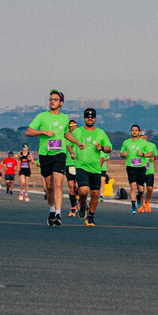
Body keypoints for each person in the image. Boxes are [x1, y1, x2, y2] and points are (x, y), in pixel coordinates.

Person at [26, 90, 72, 227]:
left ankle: (58, 213)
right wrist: (43, 132)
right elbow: (29, 132)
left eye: (55, 99)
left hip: (59, 153)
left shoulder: (65, 118)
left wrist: (77, 142)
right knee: (49, 186)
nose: (52, 101)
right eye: (51, 99)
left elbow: (66, 133)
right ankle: (51, 210)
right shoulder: (41, 116)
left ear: (61, 103)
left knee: (58, 183)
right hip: (45, 154)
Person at [66, 107, 113, 225]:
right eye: (87, 117)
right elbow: (69, 143)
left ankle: (91, 215)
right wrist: (72, 152)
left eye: (92, 117)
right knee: (83, 190)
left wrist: (101, 148)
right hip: (81, 166)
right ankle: (82, 203)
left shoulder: (100, 133)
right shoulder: (77, 132)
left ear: (95, 118)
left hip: (96, 168)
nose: (90, 119)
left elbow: (109, 148)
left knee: (95, 193)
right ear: (84, 118)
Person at [119, 124, 158, 212]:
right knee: (133, 186)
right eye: (133, 130)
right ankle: (133, 206)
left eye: (136, 130)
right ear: (130, 132)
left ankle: (138, 196)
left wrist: (143, 154)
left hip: (141, 167)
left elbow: (151, 153)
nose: (134, 132)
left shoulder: (143, 142)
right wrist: (123, 154)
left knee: (141, 189)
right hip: (131, 167)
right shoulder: (126, 142)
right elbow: (121, 153)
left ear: (138, 132)